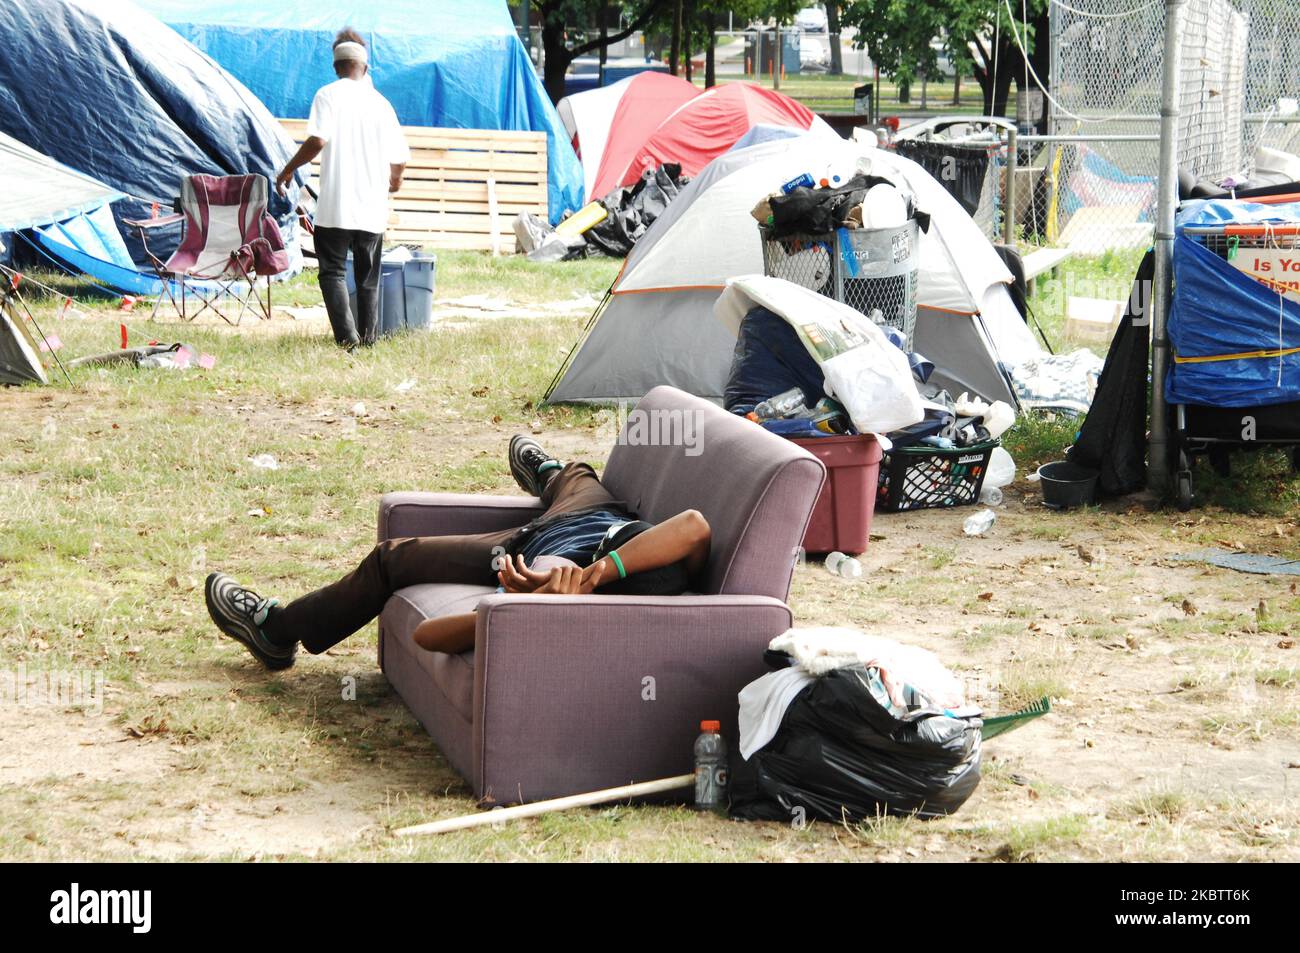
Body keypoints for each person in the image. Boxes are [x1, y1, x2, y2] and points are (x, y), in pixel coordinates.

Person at [204, 436, 711, 668]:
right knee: (577, 476)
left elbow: (430, 635)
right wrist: (600, 572)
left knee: (392, 559)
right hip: (597, 515)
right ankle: (549, 476)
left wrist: (525, 608)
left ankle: (276, 632)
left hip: (521, 548)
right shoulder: (656, 569)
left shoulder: (550, 595)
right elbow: (693, 526)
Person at [275, 29, 410, 349]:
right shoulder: (381, 103)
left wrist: (289, 168)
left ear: (336, 66)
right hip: (371, 209)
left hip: (335, 207)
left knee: (333, 273)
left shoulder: (327, 95)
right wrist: (395, 182)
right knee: (367, 278)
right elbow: (400, 158)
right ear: (364, 67)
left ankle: (347, 340)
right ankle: (368, 341)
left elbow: (318, 140)